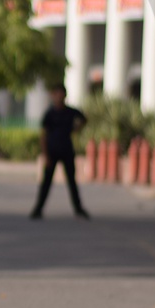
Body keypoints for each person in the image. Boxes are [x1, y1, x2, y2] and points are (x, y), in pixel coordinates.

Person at [29, 84, 88, 219]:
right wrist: (45, 154)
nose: (58, 96)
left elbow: (84, 119)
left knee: (71, 181)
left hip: (67, 149)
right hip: (52, 151)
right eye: (56, 93)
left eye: (61, 93)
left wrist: (76, 129)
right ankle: (38, 208)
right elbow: (43, 135)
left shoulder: (70, 112)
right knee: (47, 182)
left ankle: (78, 208)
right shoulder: (50, 114)